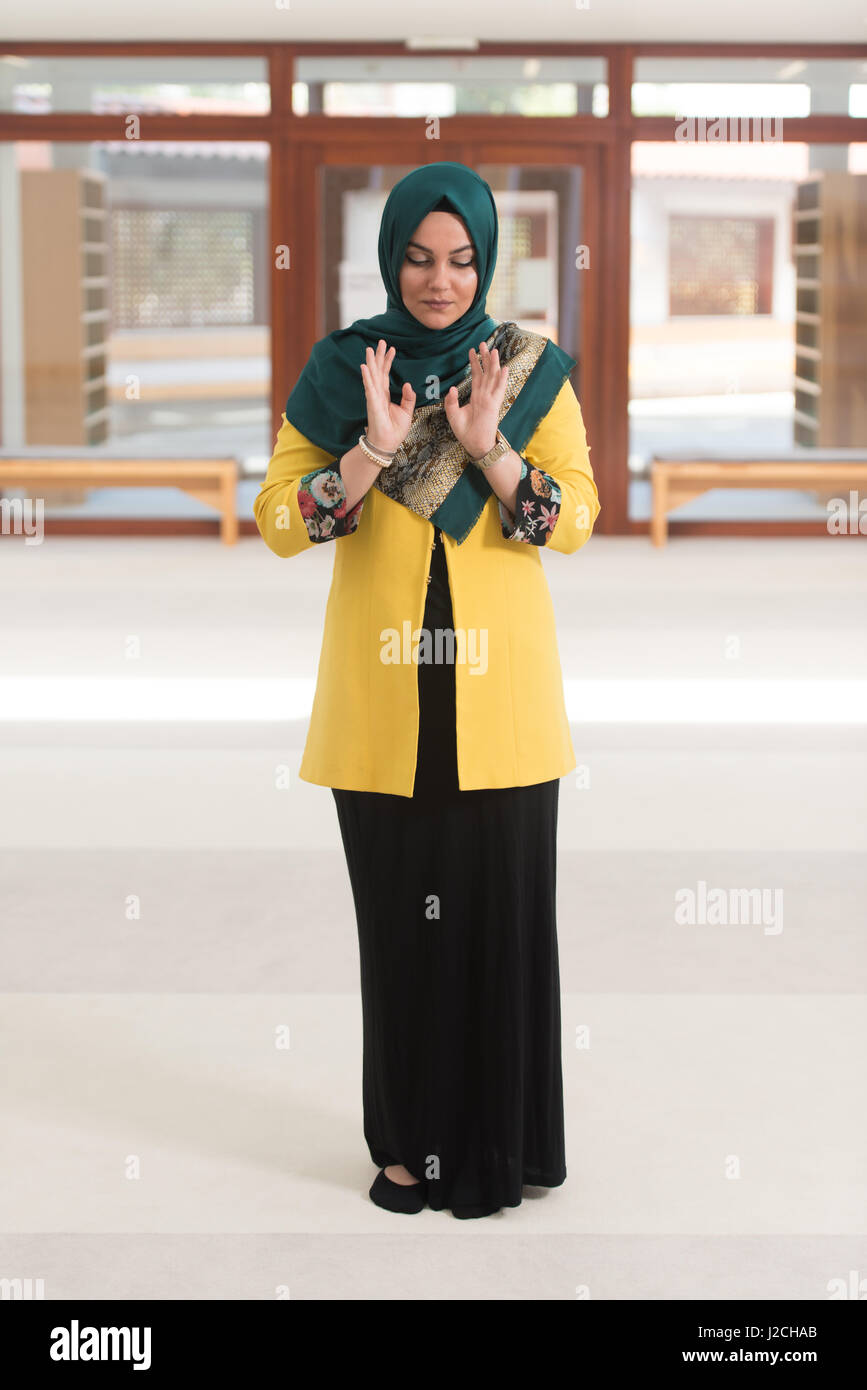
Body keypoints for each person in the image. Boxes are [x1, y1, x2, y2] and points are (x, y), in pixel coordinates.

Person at [254, 161, 600, 1219]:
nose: (439, 280)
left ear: (487, 262)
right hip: (385, 700)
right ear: (390, 256)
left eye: (459, 259)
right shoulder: (346, 368)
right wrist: (368, 452)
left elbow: (574, 518)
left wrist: (491, 451)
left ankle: (498, 1149)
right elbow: (276, 520)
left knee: (500, 926)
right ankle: (406, 1147)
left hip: (500, 704)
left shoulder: (525, 370)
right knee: (403, 930)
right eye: (418, 257)